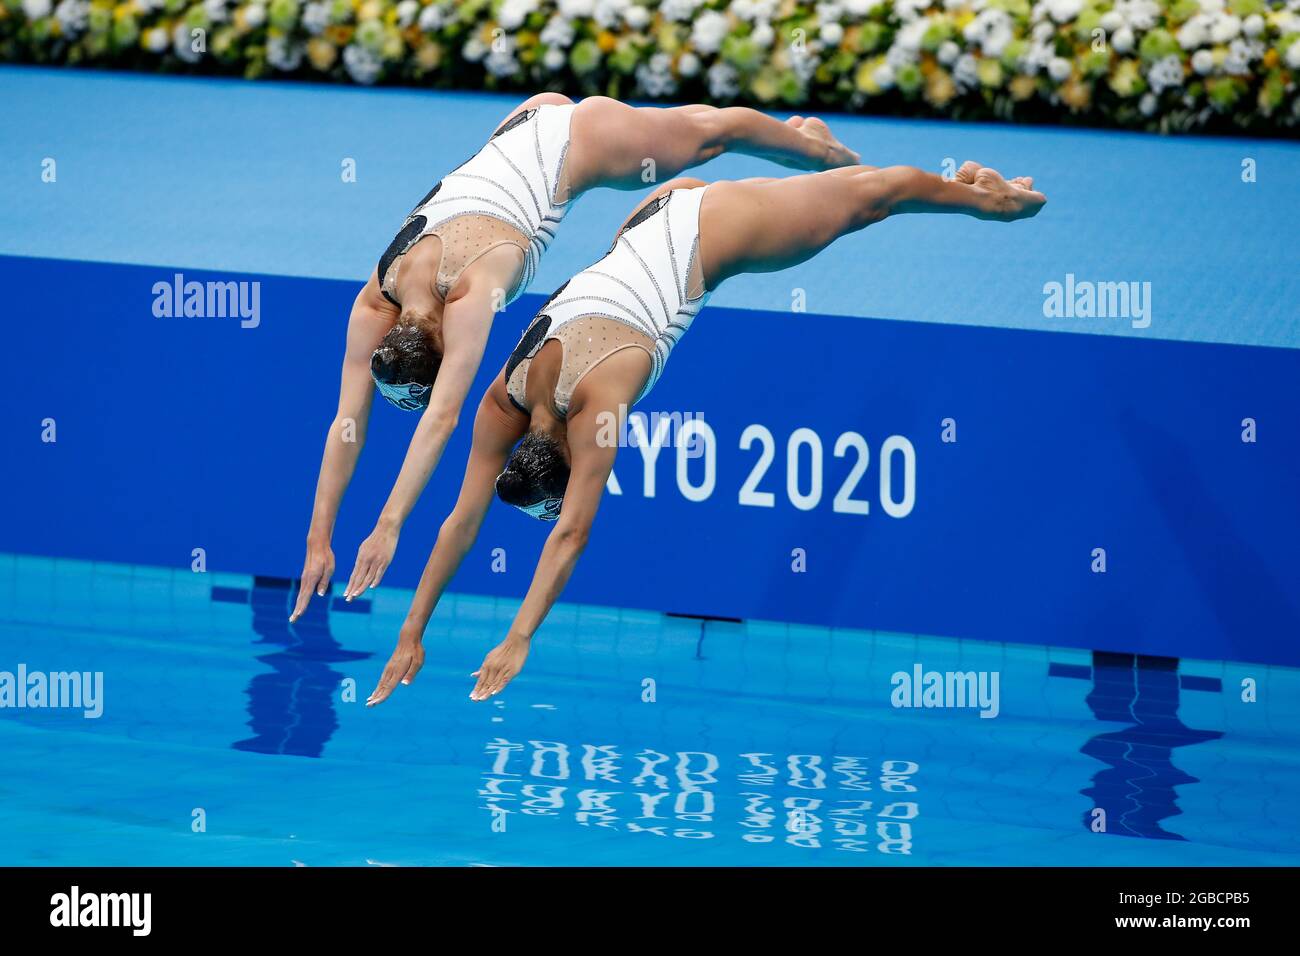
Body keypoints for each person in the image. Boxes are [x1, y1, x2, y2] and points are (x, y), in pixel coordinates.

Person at [365, 160, 1046, 705]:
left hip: (703, 235)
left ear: (568, 457)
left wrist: (519, 639)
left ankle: (1001, 201)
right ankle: (833, 160)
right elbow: (461, 518)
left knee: (869, 200)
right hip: (647, 222)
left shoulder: (598, 405)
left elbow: (570, 533)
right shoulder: (504, 399)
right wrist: (411, 629)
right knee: (840, 198)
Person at [291, 93, 860, 622]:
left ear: (437, 344)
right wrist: (321, 537)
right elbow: (349, 422)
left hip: (577, 139)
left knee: (712, 135)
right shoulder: (377, 296)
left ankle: (816, 148)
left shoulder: (467, 296)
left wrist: (389, 525)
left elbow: (442, 416)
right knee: (702, 146)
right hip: (517, 127)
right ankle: (782, 164)